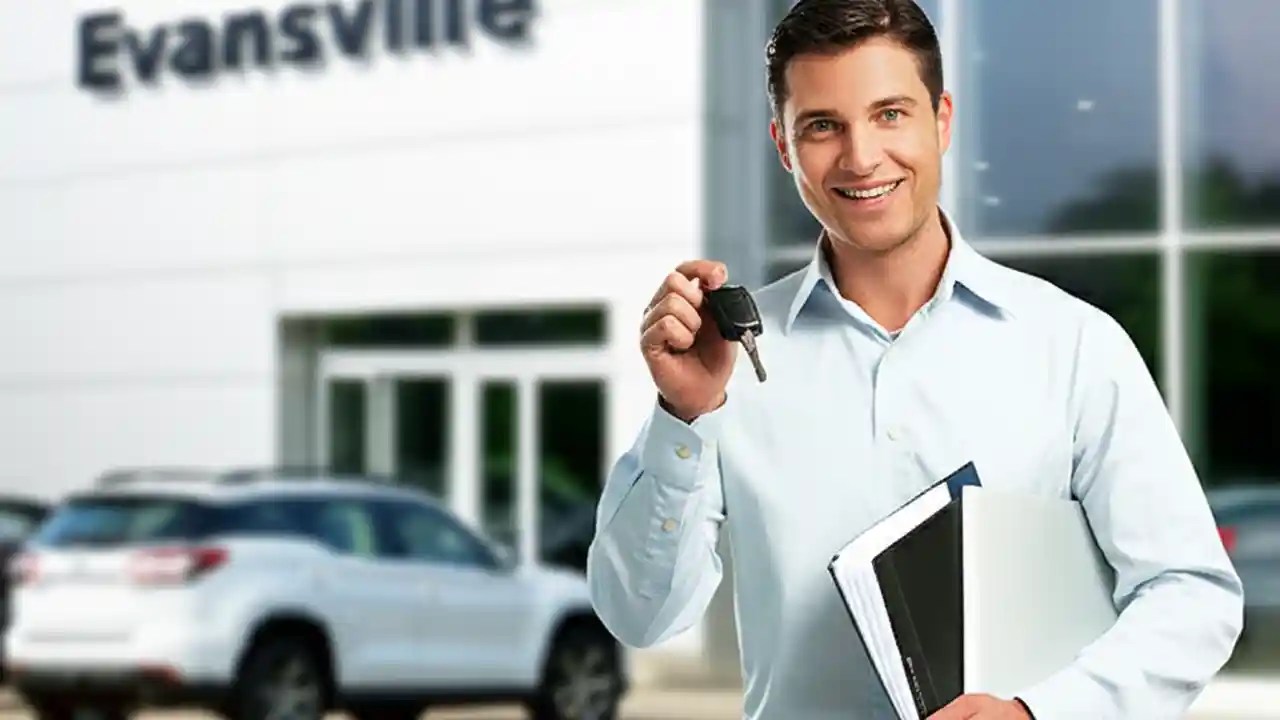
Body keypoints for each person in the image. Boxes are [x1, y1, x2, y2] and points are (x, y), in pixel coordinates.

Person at [585, 0, 1244, 717]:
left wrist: (1041, 712)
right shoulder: (729, 359)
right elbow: (639, 617)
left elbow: (1191, 594)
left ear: (943, 120)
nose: (861, 157)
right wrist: (685, 415)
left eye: (890, 114)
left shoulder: (1074, 345)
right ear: (783, 145)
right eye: (822, 126)